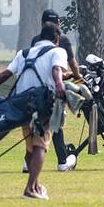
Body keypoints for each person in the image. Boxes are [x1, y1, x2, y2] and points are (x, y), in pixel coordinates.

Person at [0, 21, 68, 200]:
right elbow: (56, 70)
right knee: (41, 145)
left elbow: (5, 75)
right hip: (42, 105)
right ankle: (30, 189)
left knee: (30, 147)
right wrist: (60, 83)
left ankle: (36, 185)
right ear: (56, 39)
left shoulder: (23, 53)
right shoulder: (58, 51)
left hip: (21, 106)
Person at [30, 9, 82, 172]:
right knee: (56, 120)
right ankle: (62, 160)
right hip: (53, 88)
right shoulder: (63, 41)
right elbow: (72, 64)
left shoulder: (35, 40)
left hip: (35, 88)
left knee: (36, 122)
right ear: (58, 25)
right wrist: (77, 77)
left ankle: (28, 160)